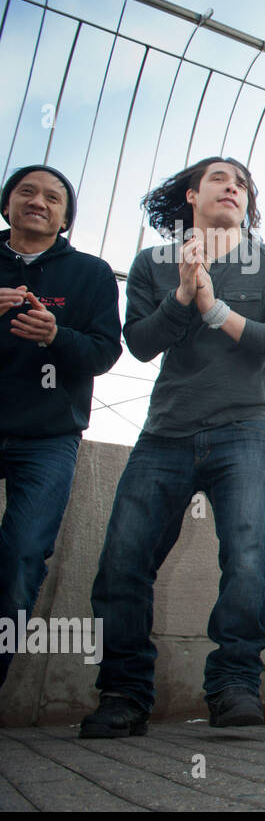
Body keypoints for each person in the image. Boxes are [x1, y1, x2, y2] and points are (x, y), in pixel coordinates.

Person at [80, 157, 265, 736]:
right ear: (191, 195)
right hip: (166, 433)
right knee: (123, 564)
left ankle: (232, 686)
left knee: (247, 560)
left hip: (246, 432)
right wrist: (183, 295)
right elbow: (140, 344)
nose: (233, 188)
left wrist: (216, 310)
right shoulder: (155, 263)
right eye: (219, 180)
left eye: (242, 184)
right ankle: (125, 693)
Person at [1, 165, 121, 689]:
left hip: (48, 437)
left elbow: (104, 353)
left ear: (66, 216)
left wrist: (56, 336)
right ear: (7, 203)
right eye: (27, 191)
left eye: (53, 197)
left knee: (23, 557)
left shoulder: (91, 274)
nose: (38, 202)